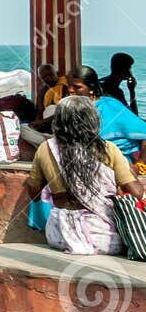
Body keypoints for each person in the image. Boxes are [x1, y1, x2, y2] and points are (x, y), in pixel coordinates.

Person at [28, 96, 146, 254]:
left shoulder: (45, 148)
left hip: (59, 234)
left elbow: (34, 194)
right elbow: (136, 193)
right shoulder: (108, 149)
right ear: (93, 120)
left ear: (58, 122)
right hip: (104, 238)